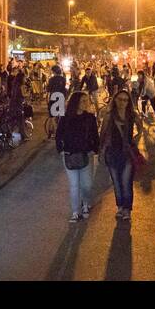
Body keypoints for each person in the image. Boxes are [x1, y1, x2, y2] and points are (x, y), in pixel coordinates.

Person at [100, 87, 144, 220]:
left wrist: (136, 138)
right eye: (120, 99)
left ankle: (127, 209)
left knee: (126, 181)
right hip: (112, 152)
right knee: (117, 182)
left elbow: (140, 128)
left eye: (125, 100)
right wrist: (102, 151)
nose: (122, 102)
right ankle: (120, 207)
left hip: (127, 153)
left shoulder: (132, 115)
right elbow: (103, 134)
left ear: (128, 102)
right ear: (115, 100)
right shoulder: (109, 115)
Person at [55, 90, 99, 222]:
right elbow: (59, 135)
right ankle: (75, 211)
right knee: (74, 185)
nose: (86, 103)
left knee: (87, 184)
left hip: (86, 154)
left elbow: (95, 135)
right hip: (70, 154)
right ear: (76, 102)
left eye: (87, 100)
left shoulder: (90, 117)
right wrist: (61, 149)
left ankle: (85, 203)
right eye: (83, 101)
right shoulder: (65, 118)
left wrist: (94, 149)